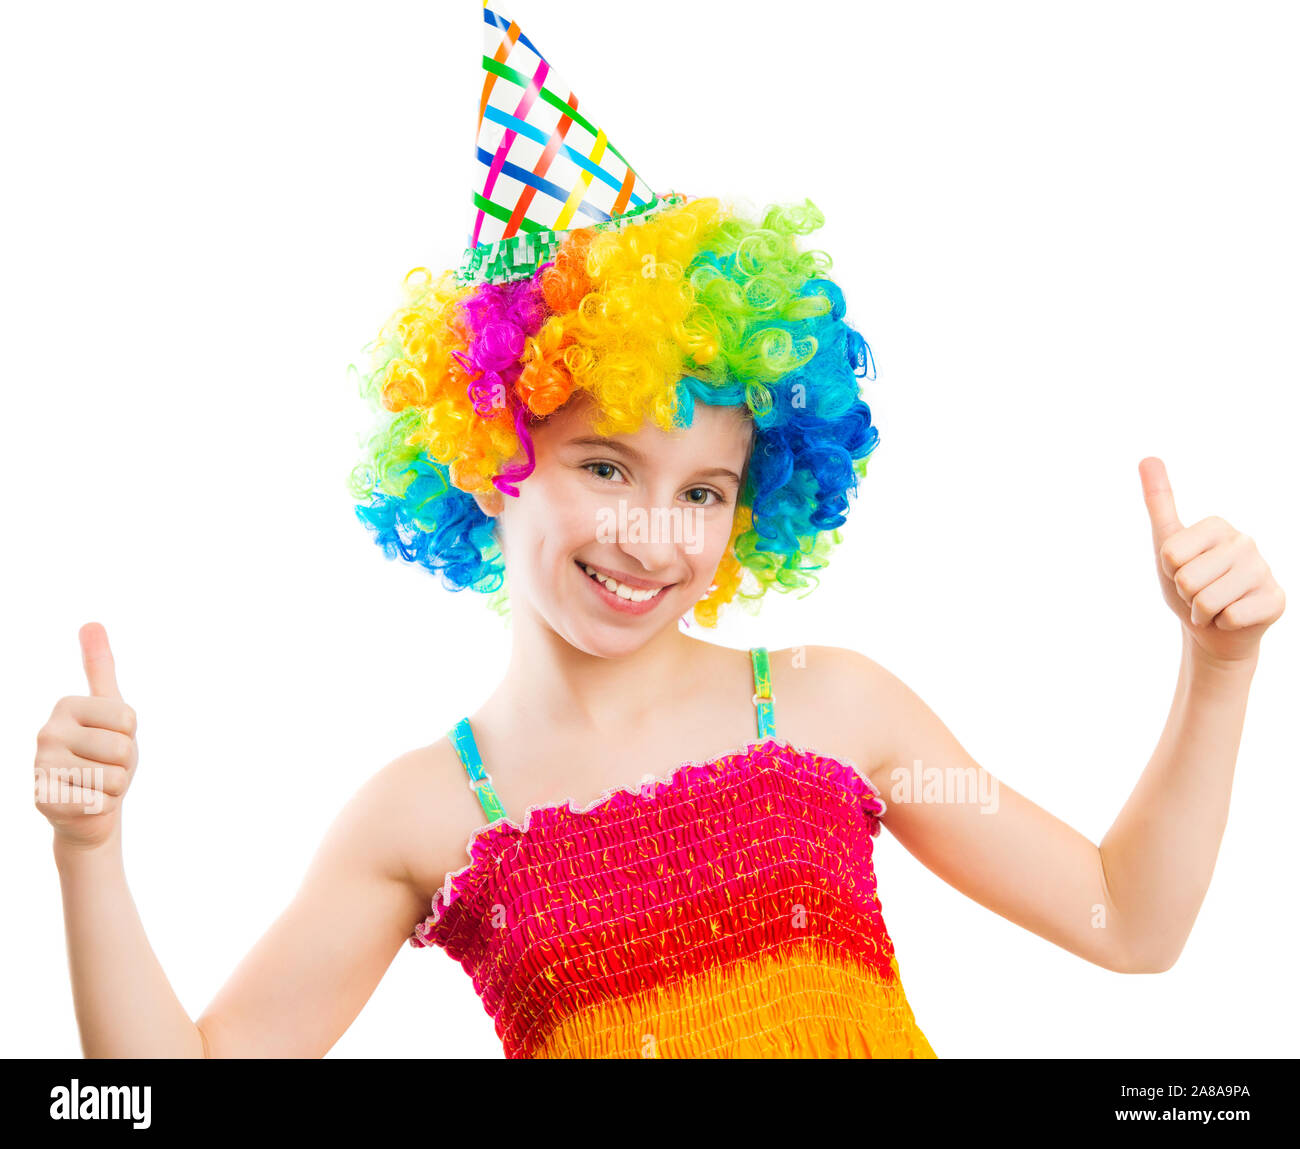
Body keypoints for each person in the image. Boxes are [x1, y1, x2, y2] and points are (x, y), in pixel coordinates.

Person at [34, 3, 1286, 1059]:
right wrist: (90, 850)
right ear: (486, 459)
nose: (653, 533)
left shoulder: (831, 710)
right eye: (604, 464)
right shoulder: (422, 817)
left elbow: (1129, 921)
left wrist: (1218, 669)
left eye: (704, 491)